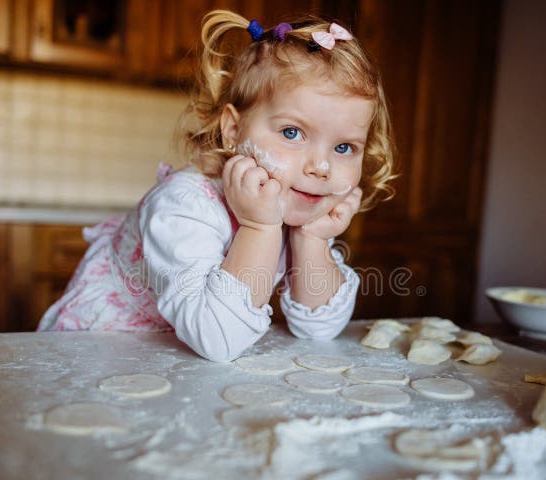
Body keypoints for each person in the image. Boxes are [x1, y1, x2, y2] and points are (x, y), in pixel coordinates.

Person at [38, 10, 398, 362]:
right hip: (95, 354)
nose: (321, 167)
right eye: (292, 132)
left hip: (175, 364)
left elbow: (319, 329)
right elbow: (217, 340)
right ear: (233, 130)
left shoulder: (296, 203)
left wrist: (312, 239)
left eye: (343, 148)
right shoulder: (184, 204)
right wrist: (259, 227)